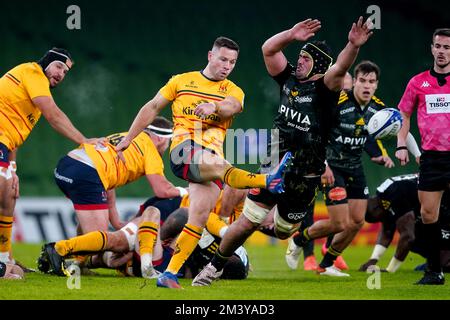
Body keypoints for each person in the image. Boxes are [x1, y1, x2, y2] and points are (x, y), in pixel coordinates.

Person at [192, 16, 374, 286]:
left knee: (282, 230)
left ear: (320, 65)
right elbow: (268, 49)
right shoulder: (288, 79)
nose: (299, 61)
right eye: (299, 56)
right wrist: (291, 34)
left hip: (305, 178)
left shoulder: (326, 89)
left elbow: (341, 67)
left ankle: (291, 234)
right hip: (273, 168)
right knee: (245, 223)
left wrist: (353, 45)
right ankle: (213, 267)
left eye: (306, 59)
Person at [114, 36, 291, 289]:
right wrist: (129, 139)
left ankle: (169, 275)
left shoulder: (232, 90)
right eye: (223, 59)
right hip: (184, 151)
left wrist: (214, 107)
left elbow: (231, 107)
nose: (227, 66)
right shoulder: (181, 81)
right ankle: (266, 180)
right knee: (222, 165)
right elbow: (152, 107)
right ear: (210, 56)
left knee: (197, 218)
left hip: (208, 160)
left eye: (232, 62)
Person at [286, 60, 395, 276]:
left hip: (355, 168)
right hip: (332, 167)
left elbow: (401, 124)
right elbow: (315, 133)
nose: (366, 86)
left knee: (356, 222)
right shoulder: (338, 103)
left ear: (376, 85)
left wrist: (395, 151)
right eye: (362, 80)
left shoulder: (378, 109)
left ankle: (326, 265)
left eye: (371, 82)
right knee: (339, 222)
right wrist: (323, 164)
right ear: (354, 82)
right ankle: (299, 240)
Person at [37, 116, 185, 274]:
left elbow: (108, 180)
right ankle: (57, 250)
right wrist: (185, 191)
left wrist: (114, 219)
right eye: (169, 141)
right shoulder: (151, 151)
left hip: (67, 165)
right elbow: (162, 190)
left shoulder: (128, 137)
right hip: (86, 172)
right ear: (161, 139)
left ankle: (78, 265)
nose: (168, 146)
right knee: (100, 239)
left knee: (92, 228)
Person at [0, 48, 104, 266]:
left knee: (8, 195)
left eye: (65, 72)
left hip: (5, 144)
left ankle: (4, 258)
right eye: (58, 67)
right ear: (46, 62)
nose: (61, 74)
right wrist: (83, 140)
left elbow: (15, 136)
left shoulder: (31, 96)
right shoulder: (33, 72)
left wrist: (13, 169)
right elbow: (54, 115)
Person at [395, 28, 450, 285]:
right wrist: (401, 144)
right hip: (432, 158)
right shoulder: (418, 82)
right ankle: (434, 271)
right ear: (432, 48)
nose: (442, 52)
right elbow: (403, 115)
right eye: (438, 46)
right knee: (429, 215)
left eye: (447, 47)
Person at [359, 174, 450, 273]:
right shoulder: (384, 197)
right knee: (417, 236)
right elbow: (387, 231)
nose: (383, 221)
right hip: (438, 203)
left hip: (444, 202)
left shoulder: (395, 193)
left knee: (412, 237)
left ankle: (440, 262)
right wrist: (373, 260)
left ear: (376, 209)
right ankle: (435, 262)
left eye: (380, 219)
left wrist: (390, 270)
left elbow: (408, 237)